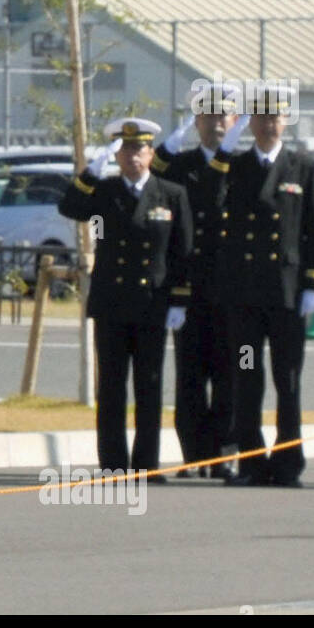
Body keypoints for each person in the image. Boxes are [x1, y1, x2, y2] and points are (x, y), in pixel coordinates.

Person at [58, 118, 193, 480]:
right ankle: (114, 464)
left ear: (151, 153)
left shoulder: (171, 193)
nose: (133, 156)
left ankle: (148, 464)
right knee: (112, 387)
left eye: (140, 149)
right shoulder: (105, 191)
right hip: (113, 302)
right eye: (126, 150)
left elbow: (183, 251)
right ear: (117, 155)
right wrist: (88, 175)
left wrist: (180, 300)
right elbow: (70, 208)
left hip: (153, 303)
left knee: (149, 386)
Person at [212, 85, 314, 487]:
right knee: (247, 376)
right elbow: (211, 206)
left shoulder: (305, 169)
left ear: (284, 122)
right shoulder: (236, 167)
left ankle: (288, 461)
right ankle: (250, 461)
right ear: (252, 124)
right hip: (244, 298)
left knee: (288, 380)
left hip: (286, 296)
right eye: (261, 119)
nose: (269, 125)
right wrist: (222, 155)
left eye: (275, 118)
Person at [150, 83, 246, 479]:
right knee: (189, 376)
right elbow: (151, 175)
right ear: (197, 122)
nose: (215, 123)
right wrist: (170, 143)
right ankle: (194, 454)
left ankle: (223, 452)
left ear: (234, 120)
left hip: (229, 288)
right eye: (206, 117)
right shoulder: (179, 165)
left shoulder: (242, 167)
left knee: (228, 374)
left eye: (223, 116)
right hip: (187, 287)